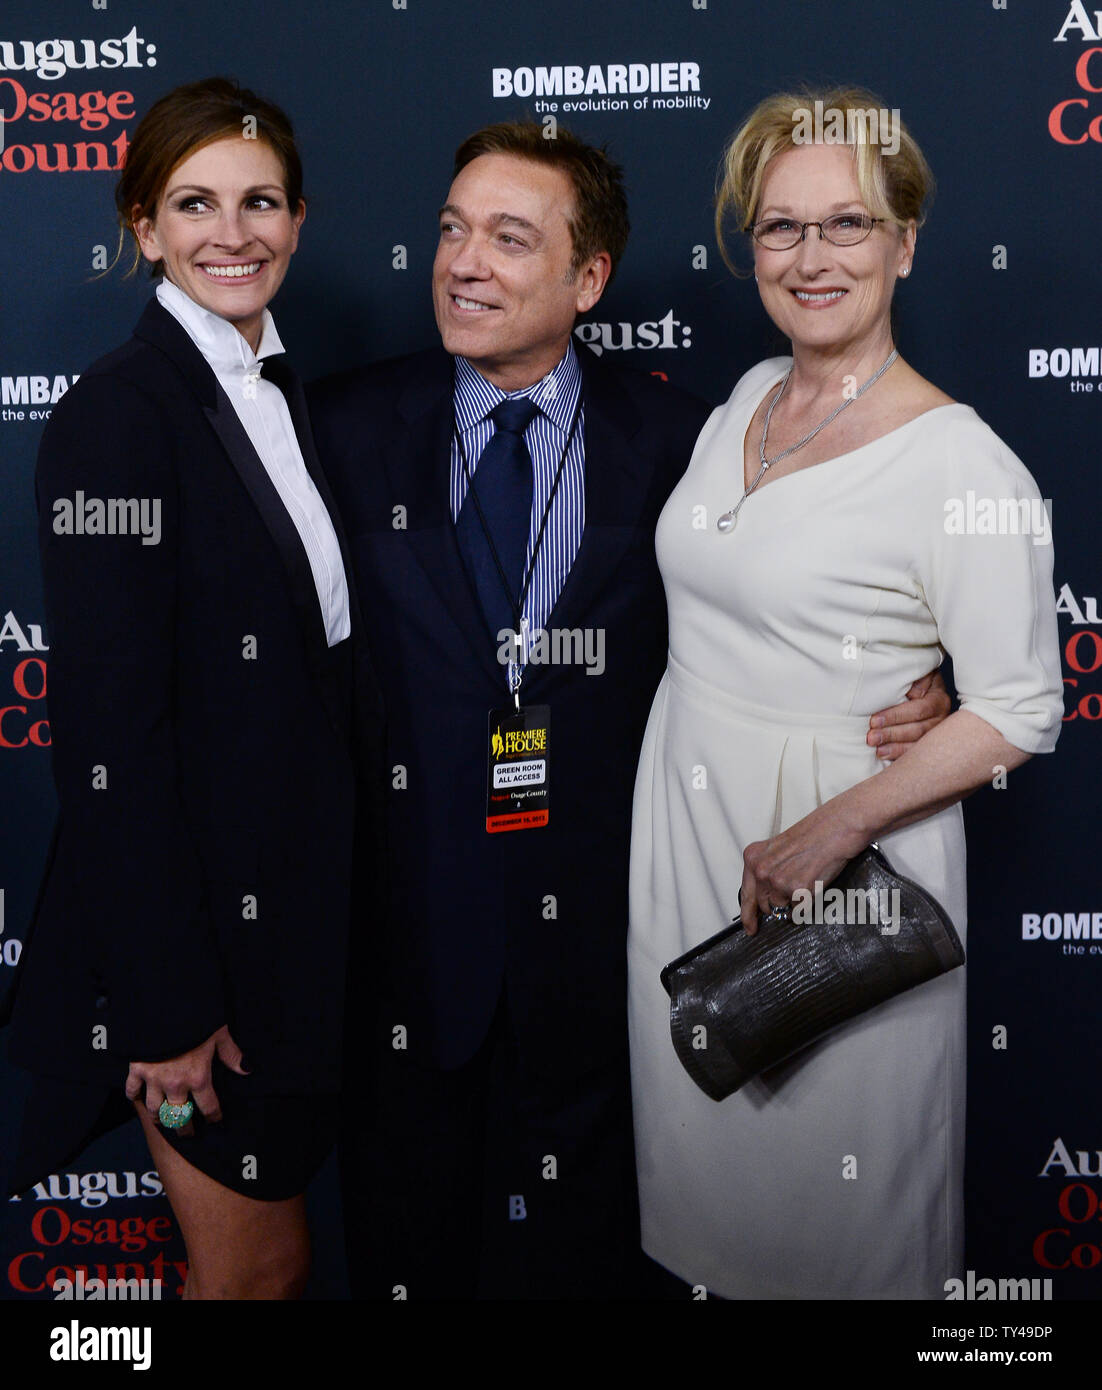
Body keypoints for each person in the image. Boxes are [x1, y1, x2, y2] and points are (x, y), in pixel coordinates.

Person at [308, 119, 946, 1299]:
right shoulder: (337, 430)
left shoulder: (687, 443)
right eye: (452, 231)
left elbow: (780, 605)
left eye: (508, 239)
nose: (463, 263)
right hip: (401, 958)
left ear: (588, 277)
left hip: (612, 949)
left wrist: (920, 686)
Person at [626, 87, 1064, 1300]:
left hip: (840, 881)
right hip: (689, 845)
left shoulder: (961, 460)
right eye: (780, 229)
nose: (811, 258)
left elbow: (1023, 706)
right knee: (709, 1214)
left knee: (838, 1231)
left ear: (906, 242)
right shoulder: (747, 399)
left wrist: (835, 824)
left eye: (848, 225)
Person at [2, 78, 374, 1300]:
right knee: (252, 1278)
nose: (234, 232)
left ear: (300, 219)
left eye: (260, 202)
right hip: (199, 959)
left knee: (280, 1268)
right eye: (195, 204)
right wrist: (163, 1007)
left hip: (306, 939)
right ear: (144, 227)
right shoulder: (119, 416)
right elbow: (110, 742)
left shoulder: (287, 396)